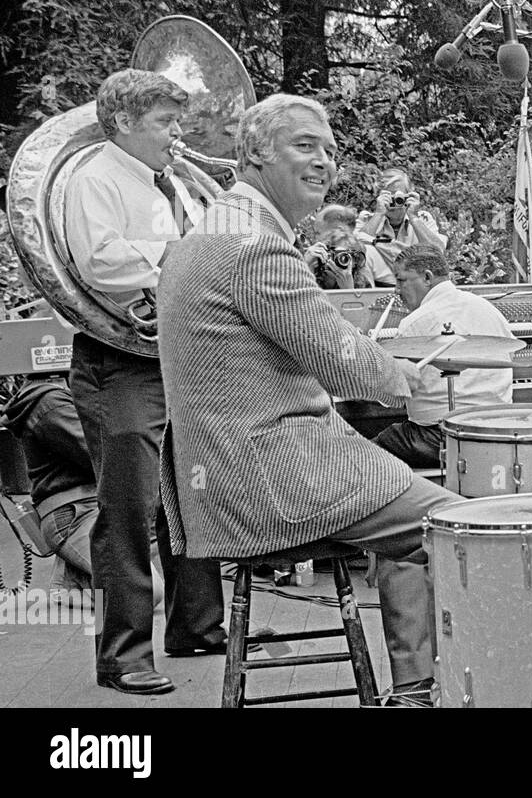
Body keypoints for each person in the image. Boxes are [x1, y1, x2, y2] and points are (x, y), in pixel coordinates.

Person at [157, 93, 463, 701]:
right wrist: (410, 378)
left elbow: (310, 340)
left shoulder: (217, 227)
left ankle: (416, 688)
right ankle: (422, 690)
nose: (324, 161)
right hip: (271, 472)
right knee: (457, 526)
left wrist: (383, 363)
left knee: (415, 526)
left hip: (226, 469)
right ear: (254, 154)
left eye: (329, 149)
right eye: (305, 146)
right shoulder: (253, 244)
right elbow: (343, 360)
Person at [63, 69, 228, 696]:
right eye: (165, 122)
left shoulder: (174, 185)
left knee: (194, 492)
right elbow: (100, 261)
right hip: (117, 360)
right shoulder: (95, 179)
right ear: (126, 123)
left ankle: (197, 626)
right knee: (127, 508)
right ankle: (122, 654)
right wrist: (183, 257)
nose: (178, 134)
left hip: (175, 354)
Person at [1, 376, 163, 604]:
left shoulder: (58, 396)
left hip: (88, 507)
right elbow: (99, 456)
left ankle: (71, 571)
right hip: (76, 513)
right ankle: (69, 588)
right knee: (144, 594)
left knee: (158, 513)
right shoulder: (50, 402)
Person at [373, 243, 516, 467]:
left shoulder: (415, 322)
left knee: (362, 454)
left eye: (401, 280)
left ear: (427, 277)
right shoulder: (489, 309)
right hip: (496, 428)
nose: (396, 290)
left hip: (437, 436)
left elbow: (394, 396)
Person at [357, 168, 448, 286]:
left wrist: (413, 217)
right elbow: (354, 250)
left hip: (416, 282)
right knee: (363, 251)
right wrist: (379, 214)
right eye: (389, 197)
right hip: (379, 281)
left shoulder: (423, 219)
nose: (395, 202)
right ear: (379, 197)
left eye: (399, 197)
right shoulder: (367, 219)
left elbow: (438, 253)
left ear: (408, 195)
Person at [304, 204, 376, 289]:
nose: (316, 239)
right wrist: (305, 268)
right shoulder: (313, 260)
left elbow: (366, 299)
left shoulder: (358, 262)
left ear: (340, 230)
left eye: (318, 233)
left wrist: (349, 290)